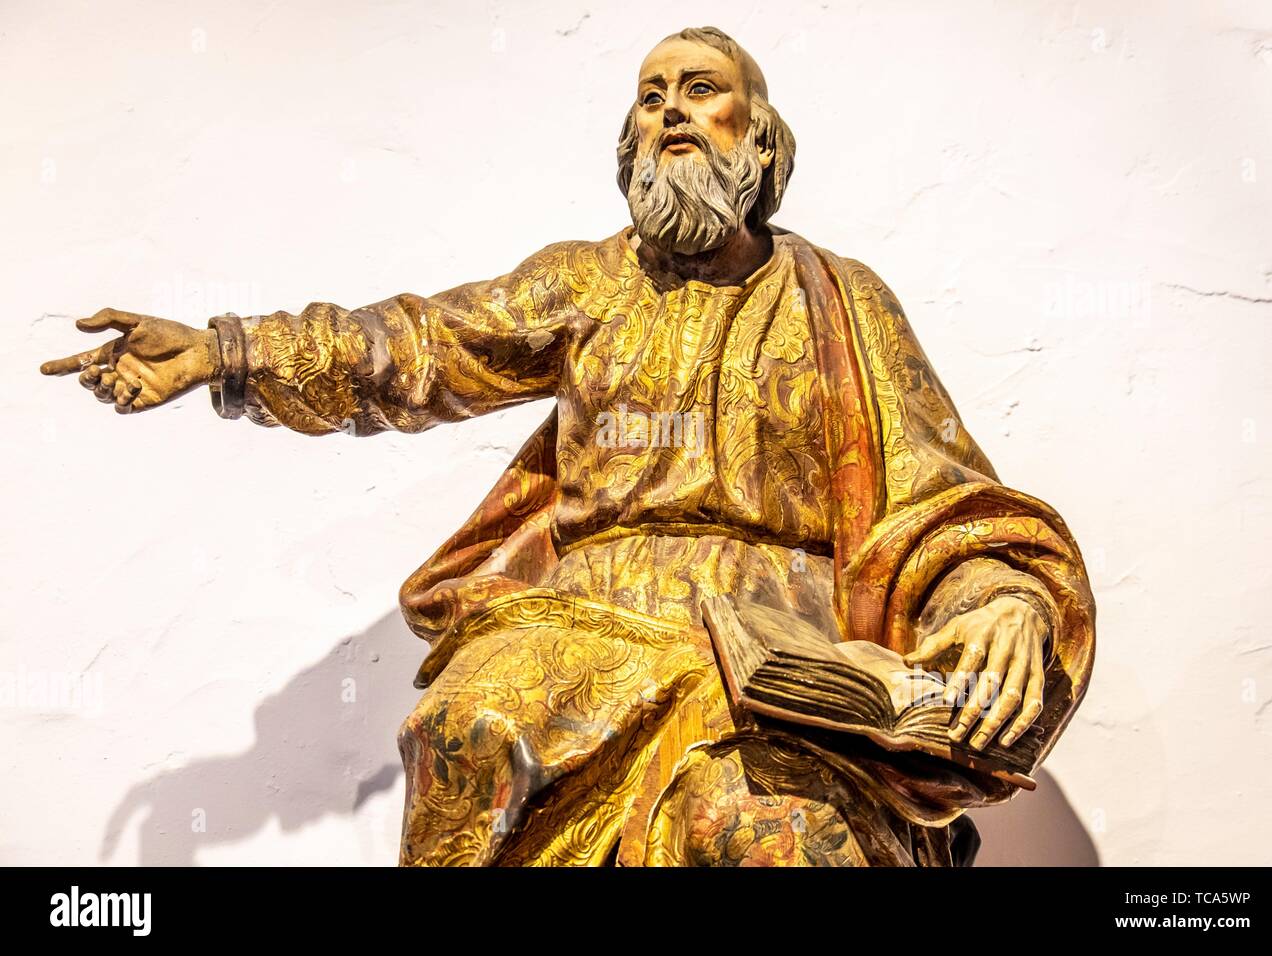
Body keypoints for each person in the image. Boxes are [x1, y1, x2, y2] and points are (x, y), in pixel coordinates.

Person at [40, 26, 1095, 866]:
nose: (672, 107)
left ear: (761, 141)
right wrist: (226, 351)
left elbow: (939, 494)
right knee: (468, 721)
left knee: (775, 839)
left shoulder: (840, 301)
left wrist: (1002, 598)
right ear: (630, 143)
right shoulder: (584, 282)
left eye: (701, 88)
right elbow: (414, 347)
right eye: (651, 95)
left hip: (772, 654)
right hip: (582, 623)